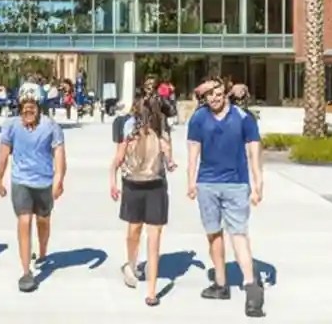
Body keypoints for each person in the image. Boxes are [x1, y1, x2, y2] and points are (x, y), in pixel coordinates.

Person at [186, 77, 266, 318]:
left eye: (218, 93)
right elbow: (193, 152)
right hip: (207, 184)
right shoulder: (198, 118)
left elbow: (254, 152)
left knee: (238, 234)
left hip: (236, 184)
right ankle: (220, 284)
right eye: (209, 94)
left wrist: (258, 182)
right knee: (213, 234)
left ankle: (252, 287)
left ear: (226, 93)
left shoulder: (243, 118)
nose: (214, 98)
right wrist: (190, 181)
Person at [110, 94, 177, 306]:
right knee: (134, 230)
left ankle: (151, 290)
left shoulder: (163, 132)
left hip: (155, 185)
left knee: (154, 237)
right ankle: (131, 263)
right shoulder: (129, 129)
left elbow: (169, 159)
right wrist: (112, 181)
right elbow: (117, 159)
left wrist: (169, 159)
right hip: (133, 184)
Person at [0, 92, 66, 293]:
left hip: (44, 182)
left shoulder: (51, 126)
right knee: (24, 221)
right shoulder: (11, 125)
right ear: (19, 107)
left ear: (39, 107)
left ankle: (42, 251)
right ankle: (26, 272)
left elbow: (59, 155)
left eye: (32, 105)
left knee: (43, 221)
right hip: (21, 182)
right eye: (25, 106)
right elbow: (3, 154)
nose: (28, 109)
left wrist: (59, 180)